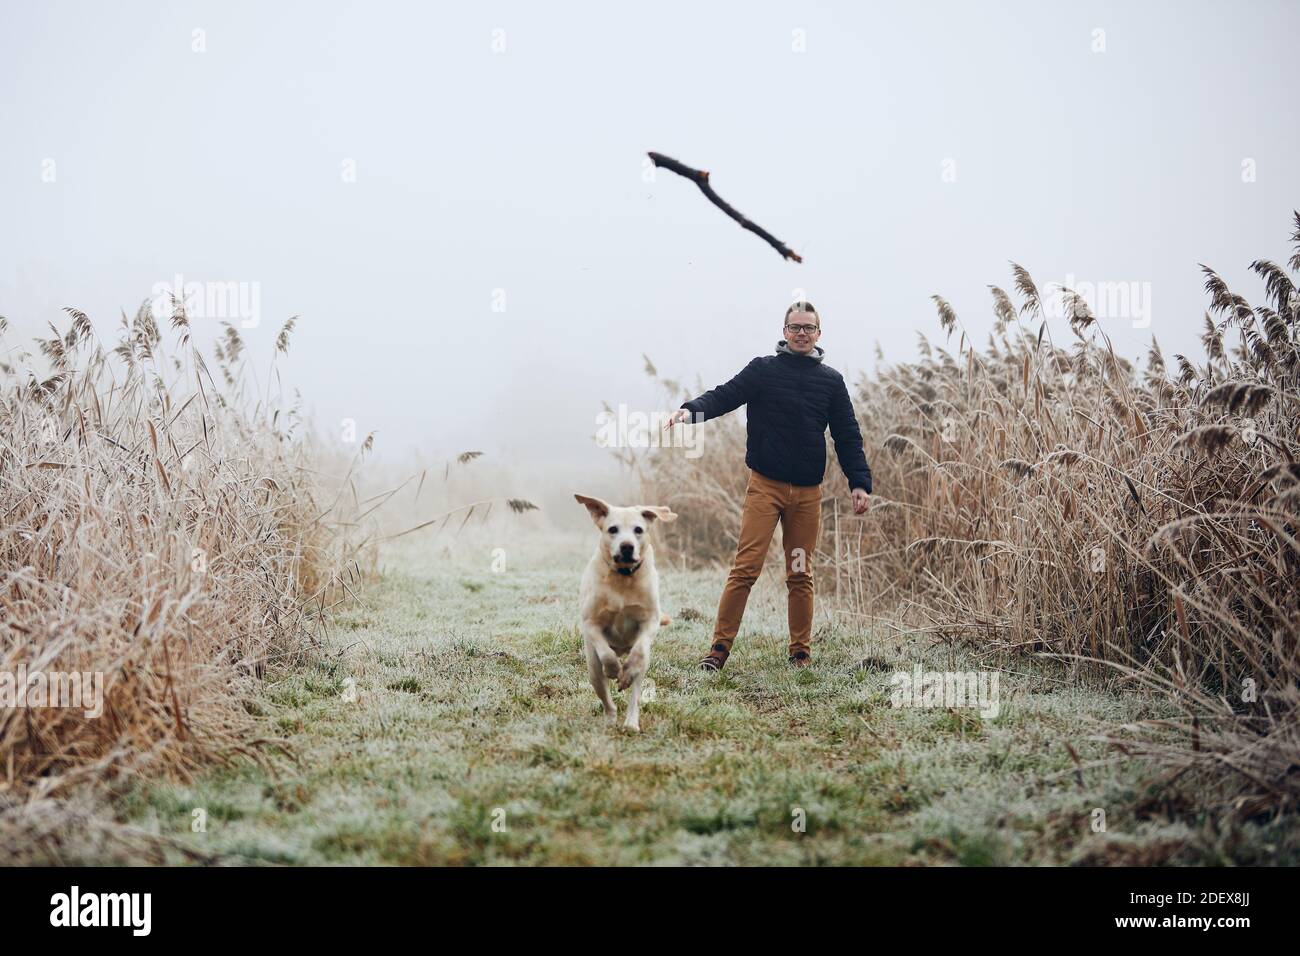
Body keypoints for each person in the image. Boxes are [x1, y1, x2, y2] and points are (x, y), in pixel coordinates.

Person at [664, 300, 872, 669]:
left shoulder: (830, 382)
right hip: (765, 488)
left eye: (809, 327)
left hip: (807, 495)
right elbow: (725, 395)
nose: (802, 333)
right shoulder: (763, 371)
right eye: (795, 327)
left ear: (819, 334)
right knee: (746, 568)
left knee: (799, 571)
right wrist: (690, 410)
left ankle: (800, 652)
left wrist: (859, 482)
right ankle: (718, 650)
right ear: (785, 332)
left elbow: (847, 435)